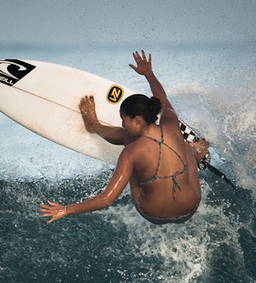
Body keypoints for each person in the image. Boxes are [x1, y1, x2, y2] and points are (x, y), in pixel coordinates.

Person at [40, 51, 207, 225]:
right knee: (186, 146)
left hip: (154, 214)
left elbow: (107, 199)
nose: (122, 124)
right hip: (189, 208)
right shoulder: (171, 122)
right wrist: (148, 73)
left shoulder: (131, 152)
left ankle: (94, 126)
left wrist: (65, 210)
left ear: (137, 119)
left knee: (129, 139)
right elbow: (161, 97)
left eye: (124, 120)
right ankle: (195, 155)